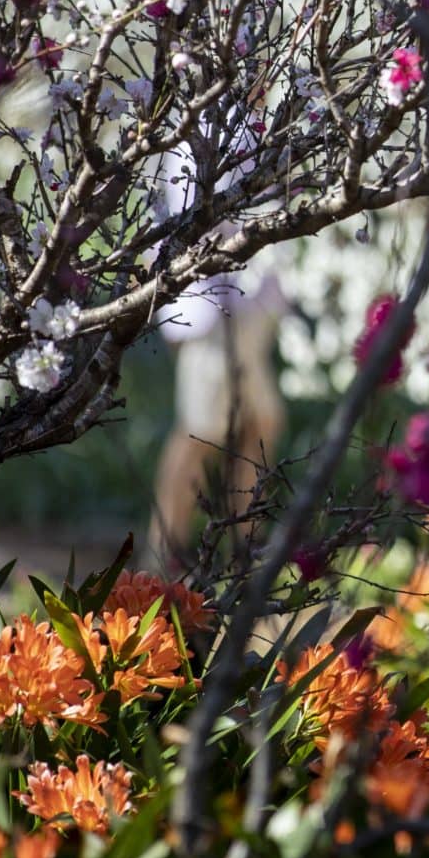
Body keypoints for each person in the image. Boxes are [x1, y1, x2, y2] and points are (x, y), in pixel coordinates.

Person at [146, 142, 289, 571]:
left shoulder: (264, 124)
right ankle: (162, 555)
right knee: (199, 434)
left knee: (259, 423)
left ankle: (245, 548)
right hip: (211, 310)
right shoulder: (206, 135)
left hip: (247, 310)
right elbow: (201, 220)